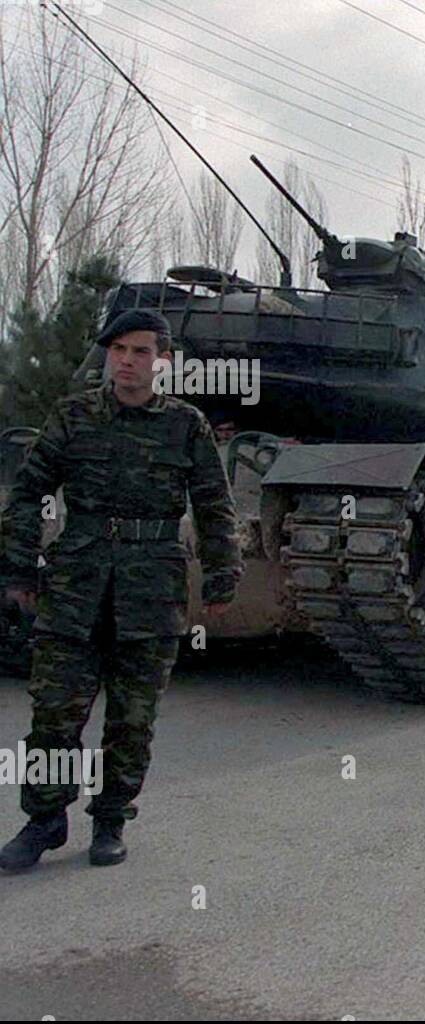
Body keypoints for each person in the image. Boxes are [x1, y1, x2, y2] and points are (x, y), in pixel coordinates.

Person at [0, 309, 243, 872]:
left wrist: (222, 574)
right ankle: (44, 821)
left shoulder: (186, 425)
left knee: (132, 720)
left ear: (162, 361)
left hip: (151, 587)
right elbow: (27, 491)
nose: (127, 362)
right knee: (54, 715)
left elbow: (214, 504)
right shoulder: (74, 417)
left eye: (139, 352)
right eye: (117, 351)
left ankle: (110, 819)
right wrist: (16, 570)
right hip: (73, 584)